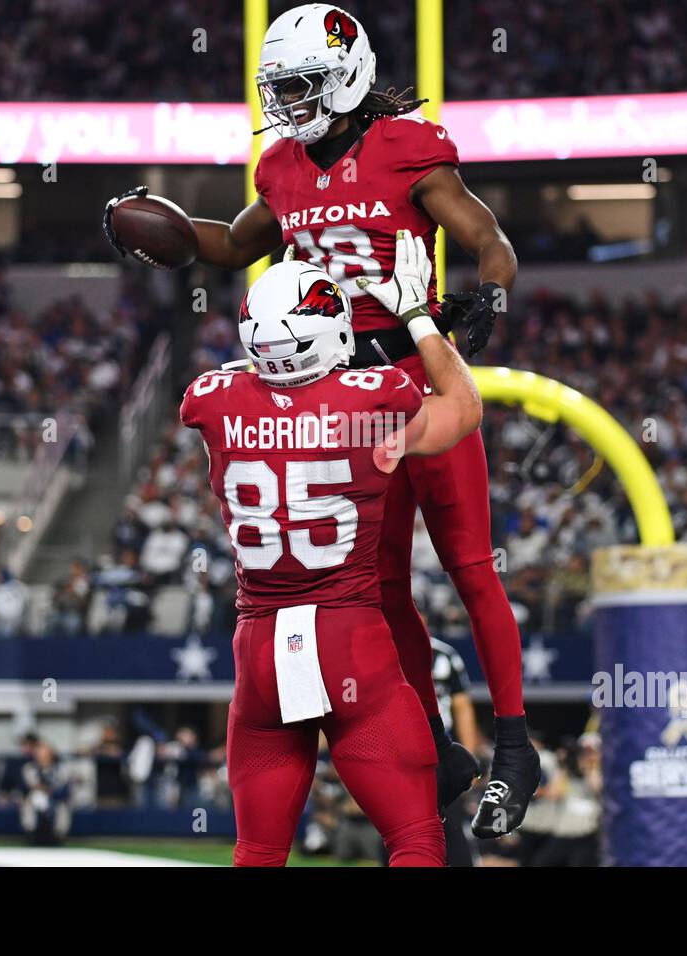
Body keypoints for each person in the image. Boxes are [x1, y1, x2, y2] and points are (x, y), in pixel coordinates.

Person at [106, 2, 539, 838]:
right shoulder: (283, 168)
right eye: (281, 88)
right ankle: (442, 743)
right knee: (377, 591)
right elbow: (234, 244)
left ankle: (516, 747)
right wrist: (167, 233)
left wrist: (489, 290)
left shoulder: (408, 148)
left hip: (415, 369)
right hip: (339, 396)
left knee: (470, 566)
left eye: (302, 85)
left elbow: (488, 235)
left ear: (346, 76)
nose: (290, 103)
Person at [179, 239, 481, 866]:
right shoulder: (367, 406)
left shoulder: (215, 401)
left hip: (260, 647)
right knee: (417, 838)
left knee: (258, 851)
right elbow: (462, 409)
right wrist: (419, 317)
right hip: (351, 639)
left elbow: (260, 391)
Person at [431, 636, 480, 866]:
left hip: (439, 749)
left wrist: (467, 757)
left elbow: (462, 707)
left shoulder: (442, 654)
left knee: (451, 823)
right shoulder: (383, 646)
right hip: (399, 749)